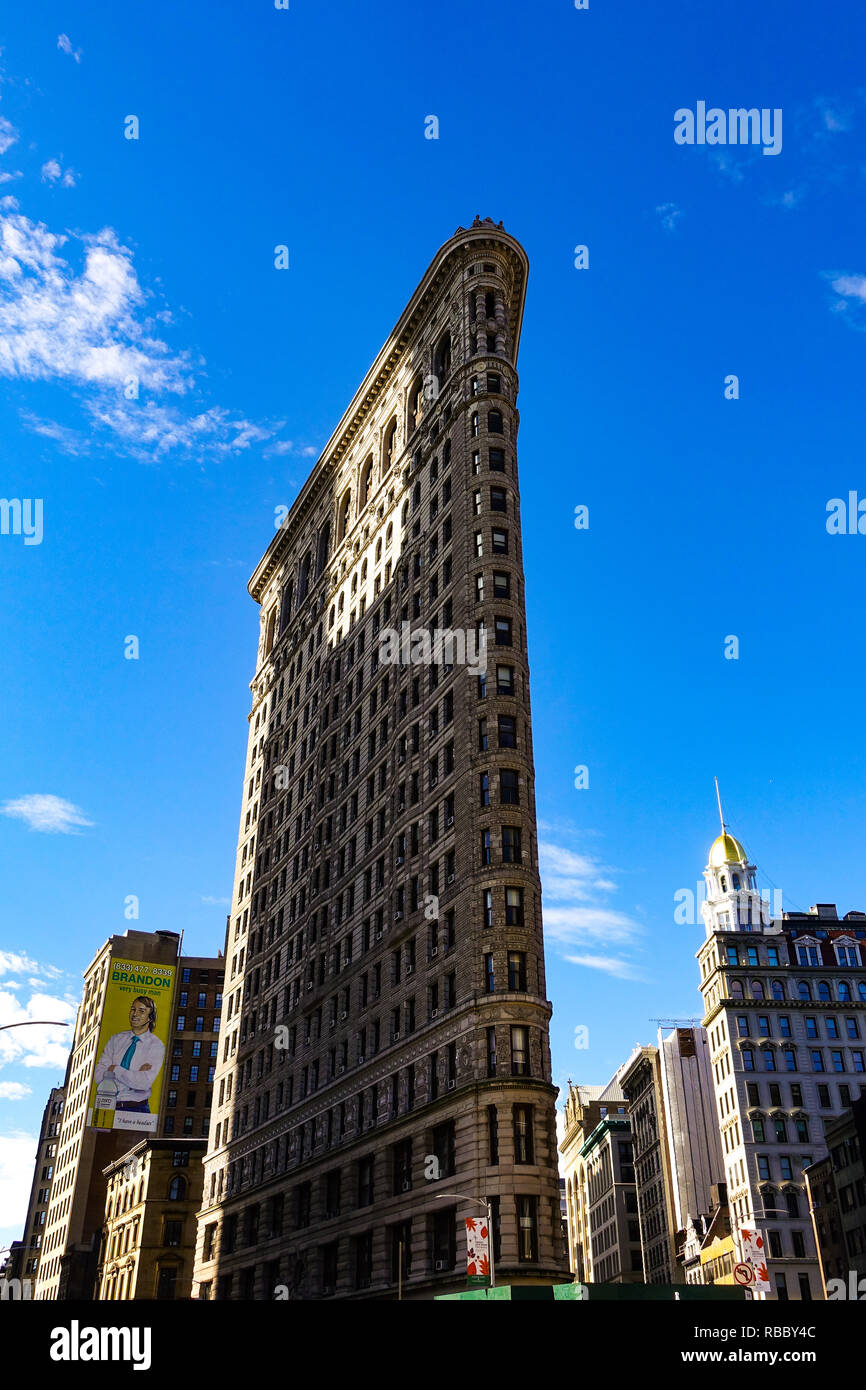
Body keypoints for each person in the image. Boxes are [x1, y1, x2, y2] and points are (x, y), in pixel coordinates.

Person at [93, 996, 165, 1113]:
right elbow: (98, 1076)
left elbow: (143, 1083)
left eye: (141, 1011)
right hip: (106, 1105)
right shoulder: (116, 1039)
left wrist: (114, 1069)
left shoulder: (156, 1045)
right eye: (133, 1009)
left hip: (136, 1110)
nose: (135, 1014)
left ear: (150, 1018)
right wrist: (134, 1075)